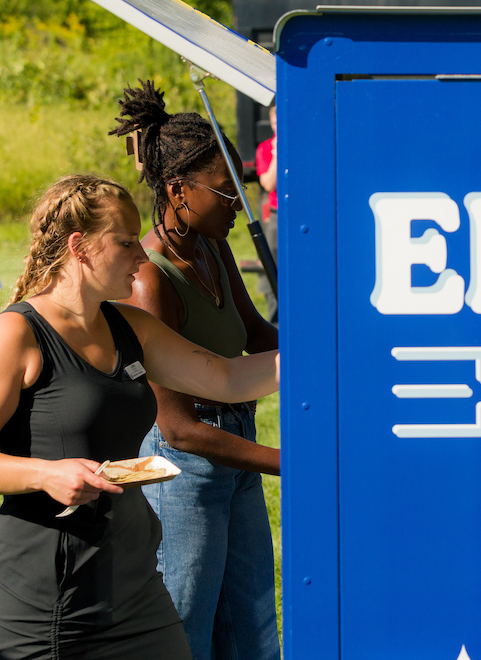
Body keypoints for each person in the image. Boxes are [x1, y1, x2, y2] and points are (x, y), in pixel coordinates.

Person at [0, 174, 279, 659]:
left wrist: (322, 352)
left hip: (135, 586)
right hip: (50, 599)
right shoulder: (18, 334)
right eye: (126, 242)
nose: (142, 256)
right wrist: (45, 474)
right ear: (79, 247)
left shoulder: (131, 326)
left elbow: (227, 378)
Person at [109, 81, 281, 660]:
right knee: (187, 625)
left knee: (252, 623)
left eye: (242, 186)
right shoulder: (149, 280)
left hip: (236, 442)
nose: (239, 202)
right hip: (185, 464)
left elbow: (255, 334)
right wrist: (289, 463)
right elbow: (178, 428)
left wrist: (335, 351)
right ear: (178, 190)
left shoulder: (212, 246)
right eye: (226, 189)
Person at [255, 104, 278, 325]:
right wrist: (277, 154)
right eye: (274, 124)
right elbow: (269, 183)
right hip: (277, 216)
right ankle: (275, 323)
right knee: (273, 269)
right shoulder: (265, 149)